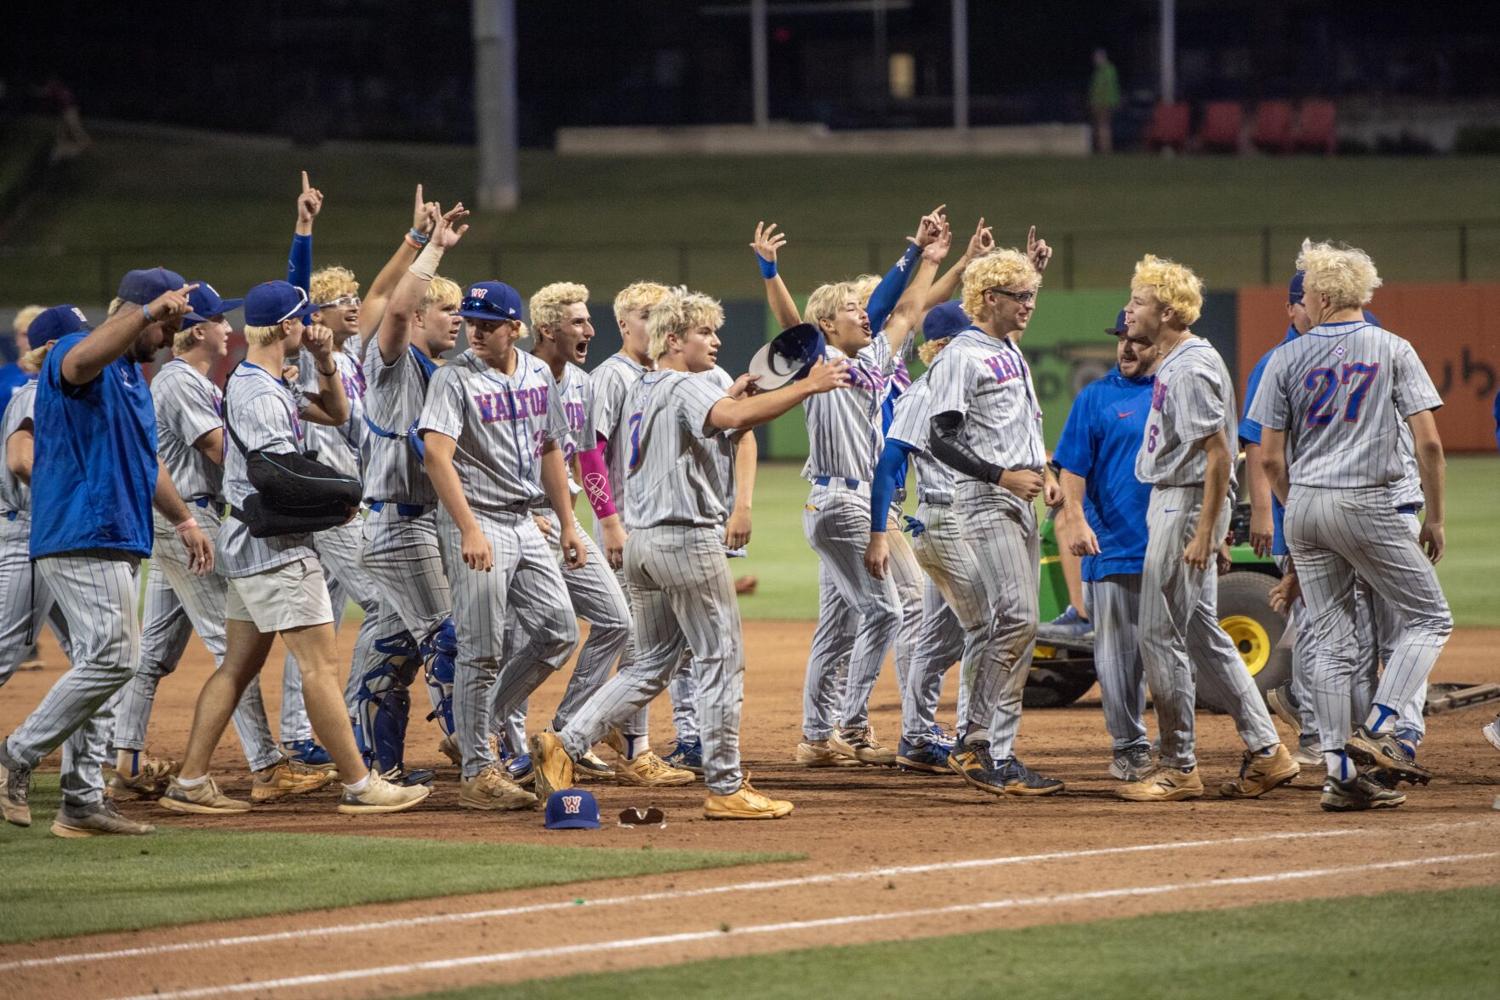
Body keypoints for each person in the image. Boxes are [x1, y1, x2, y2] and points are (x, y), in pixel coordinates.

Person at [530, 287, 851, 820]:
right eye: (705, 331)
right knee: (720, 657)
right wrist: (808, 387)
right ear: (674, 340)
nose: (717, 339)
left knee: (651, 663)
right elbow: (725, 420)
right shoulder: (684, 387)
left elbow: (726, 419)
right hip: (685, 539)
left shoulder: (642, 386)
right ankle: (726, 787)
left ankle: (567, 740)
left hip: (643, 543)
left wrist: (743, 396)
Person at [160, 279, 429, 817]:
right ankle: (359, 785)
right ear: (285, 326)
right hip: (275, 548)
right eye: (304, 320)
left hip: (255, 545)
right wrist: (342, 494)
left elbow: (336, 413)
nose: (312, 327)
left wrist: (326, 361)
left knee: (236, 668)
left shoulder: (265, 380)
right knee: (320, 669)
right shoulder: (259, 393)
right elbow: (275, 473)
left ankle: (190, 780)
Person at [0, 277, 213, 838]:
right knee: (118, 658)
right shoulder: (79, 351)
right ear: (137, 313)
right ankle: (15, 754)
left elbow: (149, 464)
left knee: (103, 667)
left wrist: (184, 519)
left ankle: (80, 802)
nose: (170, 338)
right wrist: (146, 313)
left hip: (116, 534)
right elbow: (77, 364)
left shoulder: (132, 380)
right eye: (168, 326)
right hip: (79, 530)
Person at [1249, 240, 1451, 812]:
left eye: (1307, 286)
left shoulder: (1283, 359)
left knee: (1335, 643)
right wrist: (1435, 516)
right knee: (1430, 618)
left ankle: (1341, 779)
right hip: (1369, 502)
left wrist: (1301, 504)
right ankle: (1381, 725)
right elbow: (1429, 444)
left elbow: (1267, 459)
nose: (1303, 296)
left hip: (1307, 504)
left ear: (1325, 293)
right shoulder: (1392, 349)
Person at [109, 283, 330, 804]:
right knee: (229, 652)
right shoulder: (180, 381)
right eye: (220, 321)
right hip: (191, 519)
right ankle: (267, 765)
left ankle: (125, 761)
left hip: (188, 518)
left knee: (156, 652)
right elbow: (221, 450)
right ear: (198, 331)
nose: (230, 329)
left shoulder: (202, 381)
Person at [754, 210, 945, 766]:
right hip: (841, 502)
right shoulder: (822, 358)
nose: (865, 315)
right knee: (889, 611)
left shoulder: (876, 360)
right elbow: (795, 321)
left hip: (848, 500)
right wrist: (770, 273)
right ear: (827, 328)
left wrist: (929, 259)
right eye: (851, 311)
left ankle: (815, 738)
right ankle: (850, 725)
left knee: (839, 625)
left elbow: (908, 309)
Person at [1118, 254, 1294, 802]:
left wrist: (1204, 530)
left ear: (1168, 312)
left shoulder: (1189, 366)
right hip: (1183, 503)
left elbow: (1220, 455)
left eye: (1140, 301)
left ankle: (1178, 764)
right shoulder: (1179, 359)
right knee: (1204, 637)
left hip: (1184, 505)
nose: (1129, 310)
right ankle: (1268, 752)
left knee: (1159, 634)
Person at [419, 276, 584, 812]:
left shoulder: (538, 373)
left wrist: (568, 524)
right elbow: (436, 457)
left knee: (558, 631)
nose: (475, 333)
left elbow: (552, 451)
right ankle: (477, 771)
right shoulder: (452, 380)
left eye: (488, 326)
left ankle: (476, 726)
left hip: (526, 521)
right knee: (482, 649)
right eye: (470, 323)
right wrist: (467, 528)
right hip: (479, 520)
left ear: (515, 329)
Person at [925, 238, 1069, 797]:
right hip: (987, 500)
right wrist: (999, 476)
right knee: (1014, 619)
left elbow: (1017, 426)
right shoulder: (962, 354)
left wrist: (1042, 471)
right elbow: (941, 437)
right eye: (1020, 297)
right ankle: (982, 746)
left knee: (1005, 625)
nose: (1029, 306)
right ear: (988, 298)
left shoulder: (1005, 346)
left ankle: (986, 746)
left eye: (1032, 296)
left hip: (1020, 497)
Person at [484, 281, 638, 785]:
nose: (589, 328)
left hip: (560, 523)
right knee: (518, 641)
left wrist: (596, 519)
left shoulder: (582, 382)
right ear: (547, 329)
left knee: (616, 622)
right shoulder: (512, 378)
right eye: (577, 321)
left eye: (588, 319)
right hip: (511, 519)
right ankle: (494, 740)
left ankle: (566, 733)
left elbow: (583, 455)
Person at [360, 198, 466, 775]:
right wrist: (432, 248)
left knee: (390, 653)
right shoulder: (394, 361)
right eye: (445, 309)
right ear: (421, 316)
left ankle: (379, 766)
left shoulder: (444, 372)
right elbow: (392, 308)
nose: (457, 318)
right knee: (446, 635)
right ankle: (474, 751)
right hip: (401, 522)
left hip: (414, 521)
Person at [864, 302, 975, 774]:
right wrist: (877, 532)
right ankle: (976, 740)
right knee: (985, 629)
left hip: (966, 521)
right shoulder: (925, 393)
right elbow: (889, 463)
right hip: (945, 520)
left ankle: (916, 736)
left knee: (936, 637)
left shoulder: (967, 387)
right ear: (945, 347)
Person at [1052, 309, 1160, 782]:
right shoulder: (1096, 397)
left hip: (1170, 546)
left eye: (1136, 339)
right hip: (1112, 546)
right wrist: (1073, 518)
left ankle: (1180, 746)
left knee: (1175, 654)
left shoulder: (1177, 389)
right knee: (1117, 660)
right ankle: (1130, 746)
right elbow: (1070, 466)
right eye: (1121, 338)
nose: (1126, 347)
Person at [0, 328, 70, 692]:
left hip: (57, 530)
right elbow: (20, 461)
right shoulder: (32, 395)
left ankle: (95, 750)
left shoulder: (59, 394)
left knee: (99, 650)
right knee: (7, 649)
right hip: (30, 523)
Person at [1, 305, 44, 406]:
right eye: (25, 335)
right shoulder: (2, 376)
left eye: (37, 334)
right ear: (17, 339)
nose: (30, 340)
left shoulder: (56, 378)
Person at [1088, 48, 1121, 154]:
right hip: (1102, 101)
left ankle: (1105, 148)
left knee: (1103, 126)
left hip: (1104, 102)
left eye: (1097, 58)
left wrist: (1099, 101)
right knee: (1102, 125)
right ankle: (1103, 147)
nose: (1095, 60)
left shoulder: (1107, 70)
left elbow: (1105, 87)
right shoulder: (1101, 71)